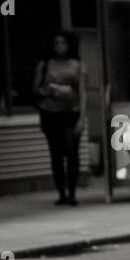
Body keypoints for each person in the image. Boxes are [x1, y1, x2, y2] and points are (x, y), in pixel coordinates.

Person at [33, 30, 86, 206]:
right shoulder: (46, 64)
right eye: (56, 43)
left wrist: (82, 118)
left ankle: (72, 192)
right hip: (50, 112)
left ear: (69, 45)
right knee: (56, 154)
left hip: (71, 112)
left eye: (63, 43)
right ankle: (61, 193)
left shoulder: (77, 65)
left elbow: (83, 93)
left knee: (72, 152)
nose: (59, 46)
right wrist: (45, 88)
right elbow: (36, 90)